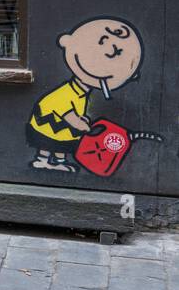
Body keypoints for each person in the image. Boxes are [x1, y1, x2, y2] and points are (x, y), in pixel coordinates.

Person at [27, 17, 144, 173]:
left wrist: (82, 120)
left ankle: (57, 161)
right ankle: (43, 160)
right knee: (53, 141)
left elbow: (73, 111)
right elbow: (65, 110)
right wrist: (81, 124)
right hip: (47, 126)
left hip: (60, 129)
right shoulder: (67, 92)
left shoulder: (81, 93)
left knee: (62, 142)